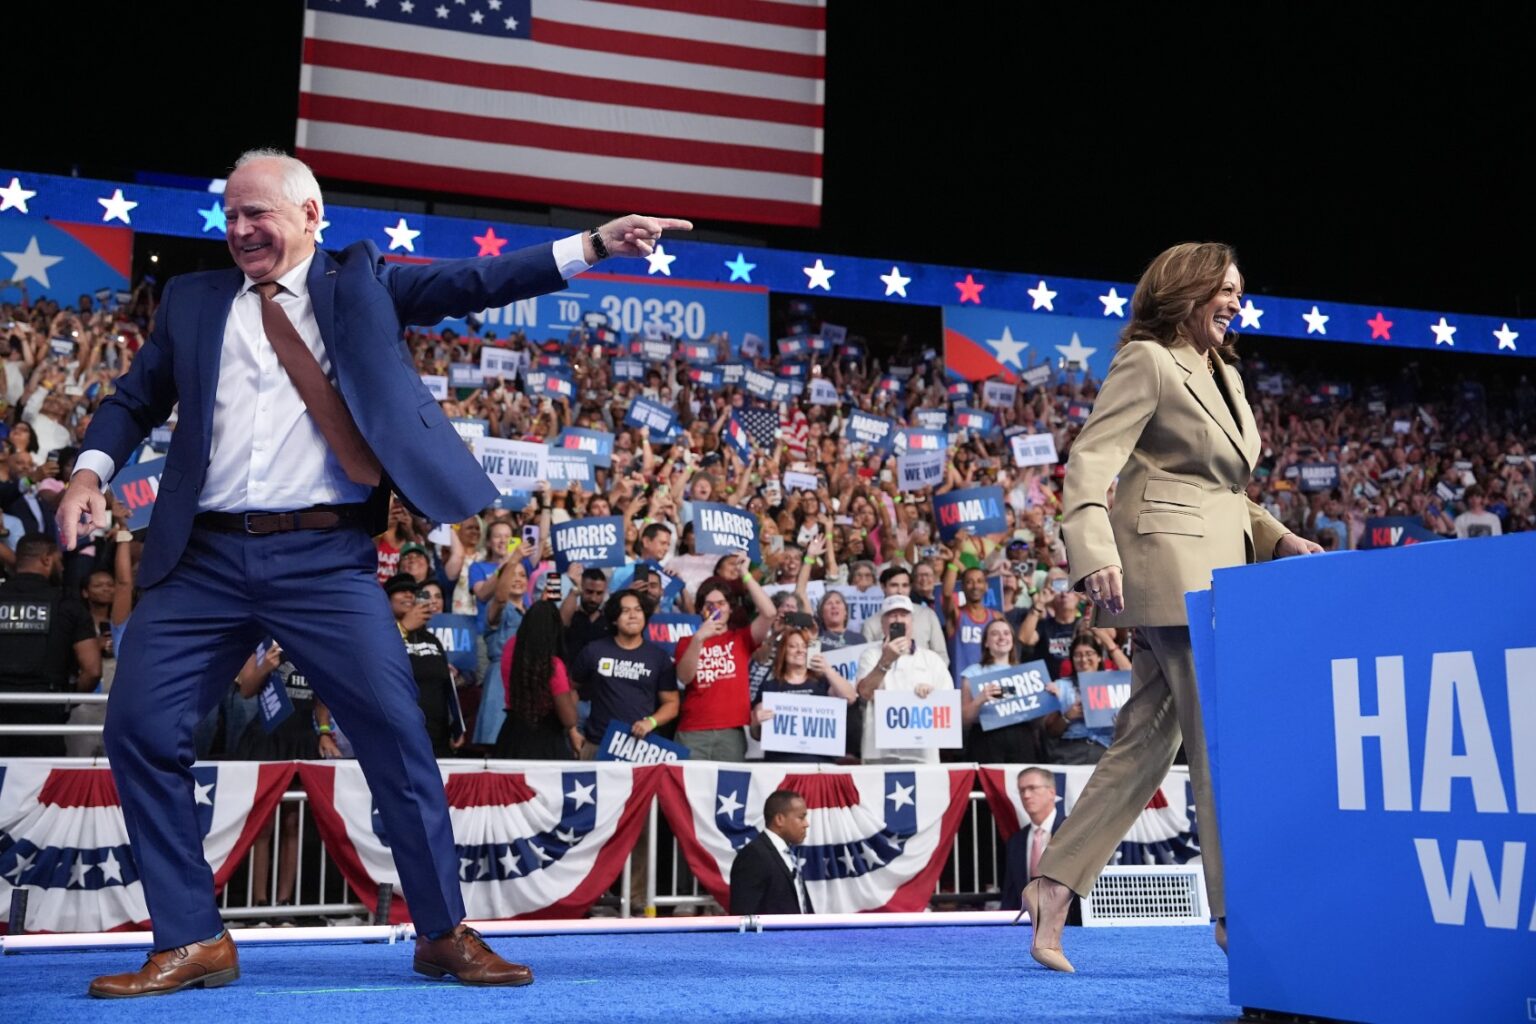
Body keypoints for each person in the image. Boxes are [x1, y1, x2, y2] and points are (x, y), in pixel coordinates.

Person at [56, 148, 691, 996]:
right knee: (137, 729)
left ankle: (439, 931)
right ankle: (193, 938)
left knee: (396, 736)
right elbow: (135, 396)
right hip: (202, 557)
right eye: (232, 216)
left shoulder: (364, 281)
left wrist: (597, 245)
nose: (241, 230)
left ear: (312, 216)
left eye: (259, 214)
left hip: (323, 559)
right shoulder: (193, 299)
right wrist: (92, 471)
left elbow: (478, 281)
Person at [1023, 243, 1322, 974]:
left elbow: (1223, 492)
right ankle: (1234, 918)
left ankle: (1052, 887)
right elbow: (1091, 460)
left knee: (1147, 742)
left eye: (1240, 290)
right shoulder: (1151, 361)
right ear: (1185, 292)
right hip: (1170, 568)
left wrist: (1278, 537)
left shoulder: (1225, 372)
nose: (1236, 301)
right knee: (1218, 740)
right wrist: (1093, 552)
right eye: (1224, 288)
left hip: (1222, 568)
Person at [0, 533, 101, 756]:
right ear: (46, 559)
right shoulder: (67, 604)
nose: (63, 568)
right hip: (44, 714)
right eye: (60, 561)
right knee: (41, 790)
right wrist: (65, 700)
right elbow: (93, 670)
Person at [673, 555, 777, 761]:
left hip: (732, 731)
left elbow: (769, 612)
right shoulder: (688, 641)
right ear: (702, 610)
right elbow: (684, 677)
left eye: (721, 603)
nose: (715, 609)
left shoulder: (741, 638)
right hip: (693, 731)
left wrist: (745, 574)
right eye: (709, 605)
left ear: (730, 607)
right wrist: (699, 638)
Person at [568, 590, 679, 755]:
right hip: (598, 743)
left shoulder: (658, 657)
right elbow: (569, 689)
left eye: (638, 610)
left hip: (640, 748)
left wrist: (651, 722)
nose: (633, 615)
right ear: (614, 619)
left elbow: (672, 703)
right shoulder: (594, 650)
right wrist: (572, 729)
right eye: (625, 611)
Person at [855, 594, 952, 765]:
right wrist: (885, 661)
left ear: (912, 622)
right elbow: (864, 693)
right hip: (878, 751)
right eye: (892, 615)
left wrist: (932, 694)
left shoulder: (932, 659)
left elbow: (949, 705)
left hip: (922, 751)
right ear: (882, 623)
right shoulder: (870, 655)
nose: (898, 620)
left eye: (903, 615)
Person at [750, 627, 857, 763]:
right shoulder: (770, 686)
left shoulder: (822, 683)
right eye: (793, 646)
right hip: (780, 764)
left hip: (818, 765)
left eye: (804, 646)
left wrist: (827, 670)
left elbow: (850, 697)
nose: (800, 651)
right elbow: (756, 734)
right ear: (783, 651)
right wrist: (757, 722)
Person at [385, 573, 463, 758]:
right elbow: (378, 663)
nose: (408, 595)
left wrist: (457, 725)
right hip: (397, 739)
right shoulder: (380, 633)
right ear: (386, 601)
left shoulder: (433, 639)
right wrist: (403, 627)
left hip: (437, 739)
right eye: (400, 591)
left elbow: (445, 686)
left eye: (412, 592)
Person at [960, 617, 1052, 764]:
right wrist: (980, 700)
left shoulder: (1028, 674)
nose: (1002, 637)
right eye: (995, 633)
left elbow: (1037, 721)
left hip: (1022, 738)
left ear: (1012, 640)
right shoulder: (972, 673)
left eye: (1006, 633)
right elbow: (964, 719)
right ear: (986, 642)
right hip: (986, 740)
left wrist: (1047, 698)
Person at [494, 598, 577, 759]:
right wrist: (571, 693)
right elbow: (569, 719)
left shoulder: (510, 649)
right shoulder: (553, 666)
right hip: (545, 742)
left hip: (511, 736)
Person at [1045, 631, 1129, 764]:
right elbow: (1051, 732)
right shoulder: (1061, 686)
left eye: (1089, 654)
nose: (1083, 660)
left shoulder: (1113, 683)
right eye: (1077, 655)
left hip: (1106, 749)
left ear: (1100, 657)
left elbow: (1129, 675)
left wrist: (1107, 641)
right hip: (1071, 749)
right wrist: (1068, 717)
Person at [728, 790, 813, 916]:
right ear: (779, 819)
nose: (806, 824)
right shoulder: (753, 856)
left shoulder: (786, 853)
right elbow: (744, 917)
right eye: (801, 818)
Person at [999, 768, 1069, 917]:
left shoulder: (1073, 832)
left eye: (1032, 788)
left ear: (1051, 792)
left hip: (1071, 925)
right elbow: (1010, 895)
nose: (1026, 795)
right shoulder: (1016, 841)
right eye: (1022, 790)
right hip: (1027, 928)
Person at [860, 563, 949, 663]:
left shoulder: (928, 615)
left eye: (905, 585)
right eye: (894, 585)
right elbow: (867, 660)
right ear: (883, 587)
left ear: (910, 587)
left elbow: (941, 655)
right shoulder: (870, 624)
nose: (900, 591)